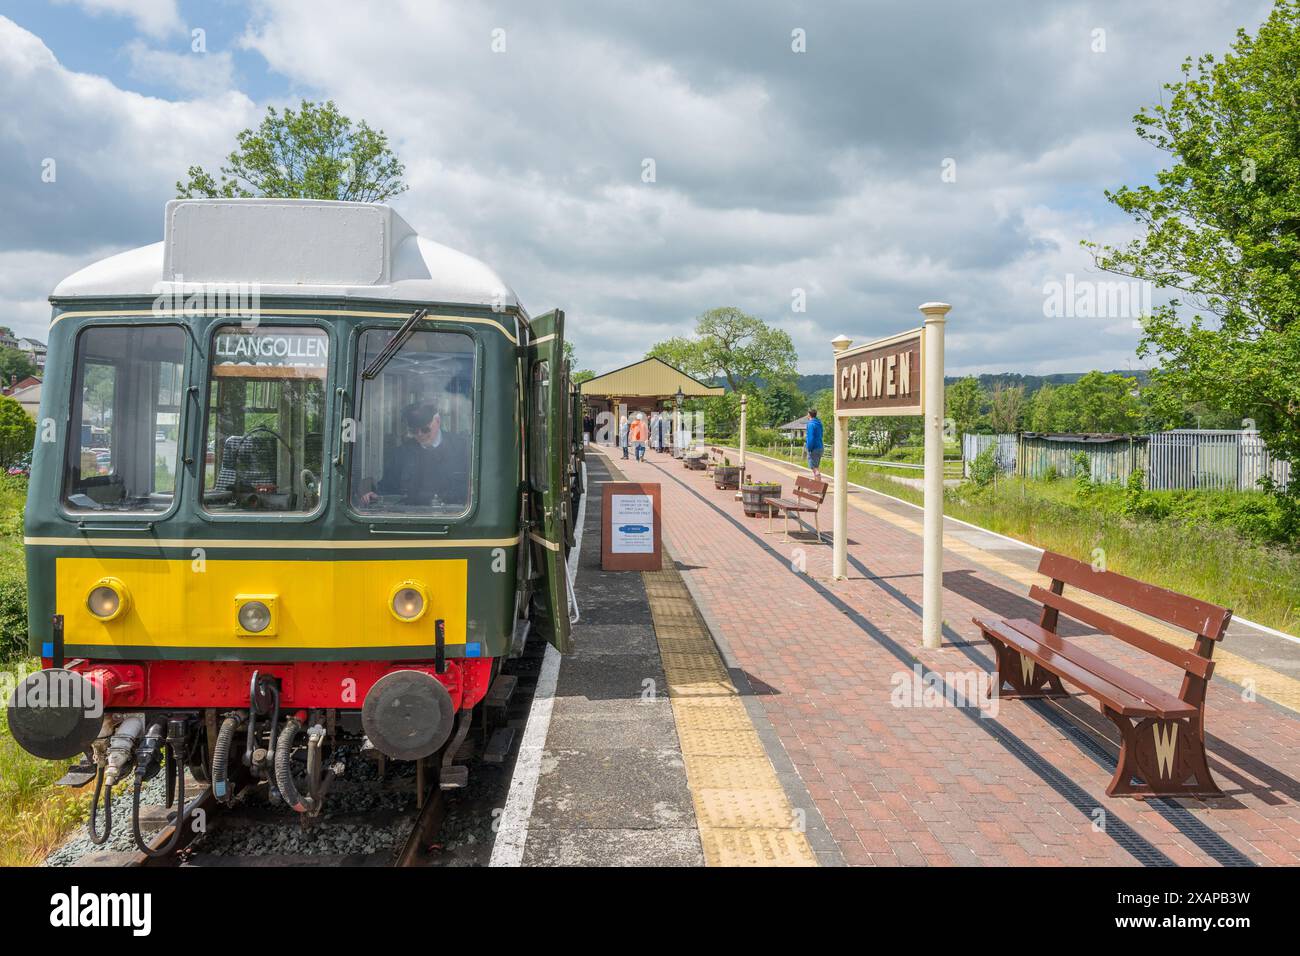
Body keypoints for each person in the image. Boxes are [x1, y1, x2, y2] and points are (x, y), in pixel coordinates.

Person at [358, 402, 468, 509]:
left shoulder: (463, 449)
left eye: (425, 429)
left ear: (437, 421)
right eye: (414, 431)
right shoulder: (401, 454)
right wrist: (377, 496)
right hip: (413, 517)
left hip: (454, 519)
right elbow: (388, 488)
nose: (420, 434)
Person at [805, 407, 824, 480]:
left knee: (814, 468)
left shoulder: (810, 424)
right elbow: (821, 435)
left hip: (814, 448)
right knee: (816, 467)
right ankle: (817, 486)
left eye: (807, 413)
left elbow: (810, 437)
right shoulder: (819, 423)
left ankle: (818, 486)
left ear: (809, 415)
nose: (807, 415)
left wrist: (809, 448)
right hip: (820, 447)